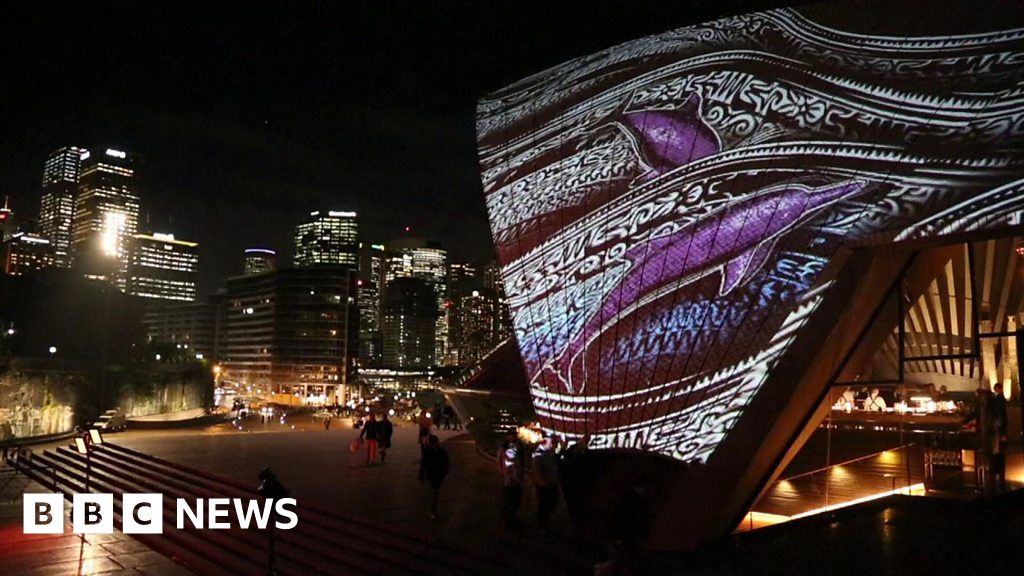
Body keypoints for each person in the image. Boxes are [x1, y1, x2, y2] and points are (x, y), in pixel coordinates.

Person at [532, 433, 561, 534]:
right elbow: (537, 469)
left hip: (551, 483)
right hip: (544, 484)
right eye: (551, 441)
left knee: (553, 501)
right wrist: (543, 482)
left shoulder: (548, 451)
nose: (552, 443)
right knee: (544, 505)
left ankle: (545, 523)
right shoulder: (538, 453)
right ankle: (542, 526)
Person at [498, 429, 525, 531]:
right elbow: (500, 461)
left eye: (514, 435)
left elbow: (520, 462)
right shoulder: (504, 448)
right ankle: (508, 522)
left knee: (516, 501)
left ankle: (513, 518)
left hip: (516, 477)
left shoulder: (519, 446)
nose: (513, 438)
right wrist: (504, 473)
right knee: (509, 501)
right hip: (509, 480)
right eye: (511, 436)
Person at [419, 434, 450, 519]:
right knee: (434, 493)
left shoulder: (441, 451)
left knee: (434, 493)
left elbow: (446, 463)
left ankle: (431, 510)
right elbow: (424, 464)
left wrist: (445, 473)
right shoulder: (429, 452)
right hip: (431, 475)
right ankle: (432, 511)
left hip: (438, 476)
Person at [990, 383, 1008, 493]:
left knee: (999, 450)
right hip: (1001, 429)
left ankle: (998, 470)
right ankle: (1000, 471)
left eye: (995, 389)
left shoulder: (999, 400)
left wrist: (1003, 432)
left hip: (1000, 429)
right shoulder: (1000, 399)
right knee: (1000, 450)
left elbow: (1002, 415)